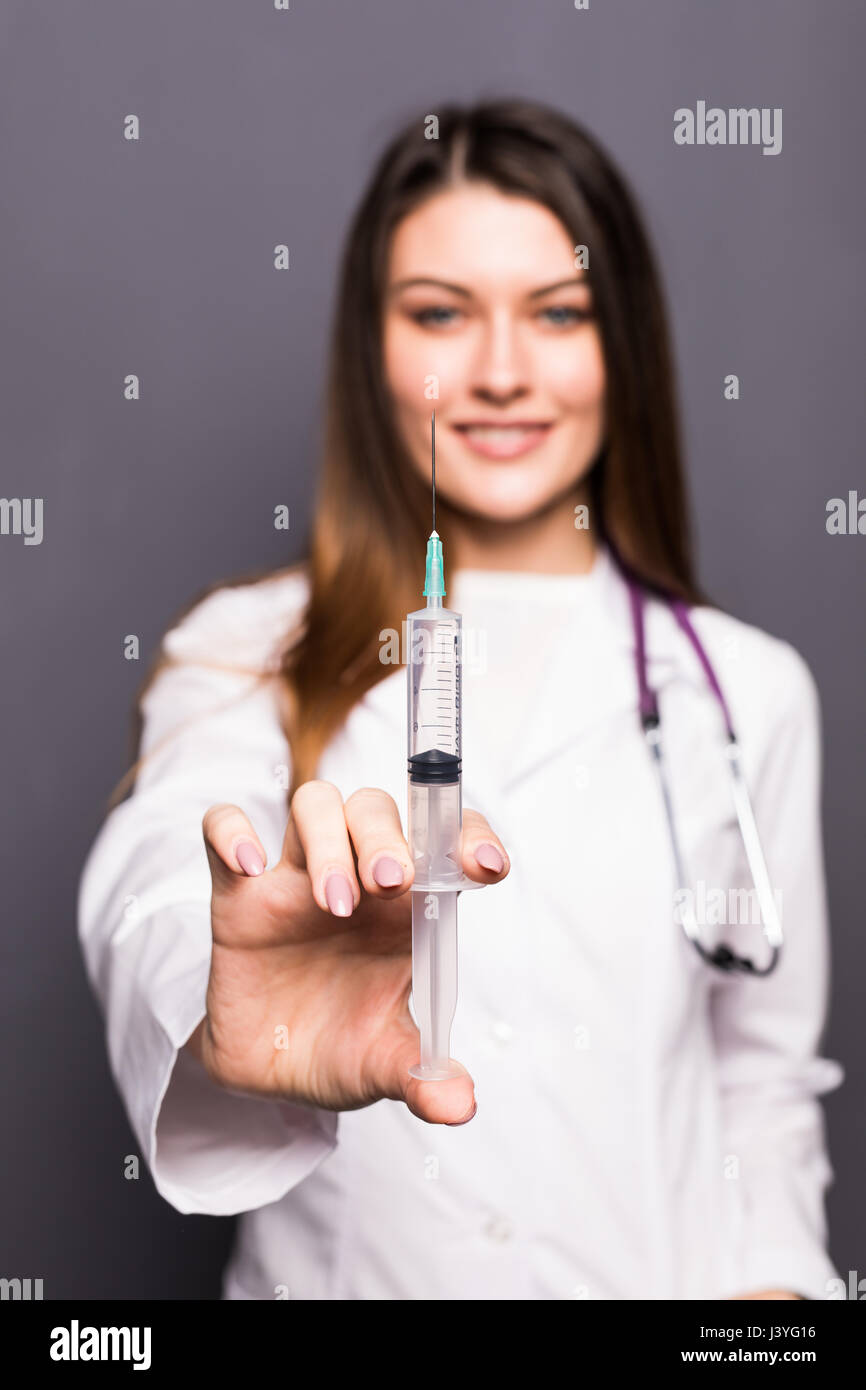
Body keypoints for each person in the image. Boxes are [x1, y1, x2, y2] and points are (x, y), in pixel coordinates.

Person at [78, 99, 844, 1301]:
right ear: (369, 345)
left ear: (623, 342)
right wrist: (215, 1005)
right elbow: (155, 878)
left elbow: (760, 1076)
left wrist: (767, 1319)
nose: (497, 372)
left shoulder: (744, 692)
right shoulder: (244, 651)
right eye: (439, 312)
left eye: (557, 312)